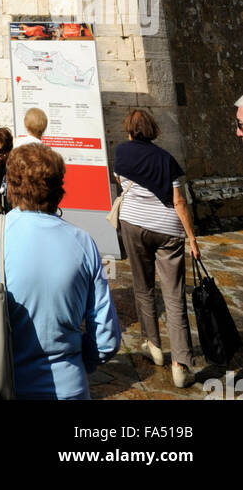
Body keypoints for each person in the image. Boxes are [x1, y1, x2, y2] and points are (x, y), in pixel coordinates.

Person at [0, 144, 121, 399]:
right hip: (69, 387)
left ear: (10, 186)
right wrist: (76, 360)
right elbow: (106, 339)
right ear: (59, 188)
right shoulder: (83, 243)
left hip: (5, 383)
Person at [115, 107, 201, 387]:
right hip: (167, 229)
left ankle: (153, 346)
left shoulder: (121, 154)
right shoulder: (167, 160)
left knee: (143, 288)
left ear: (129, 129)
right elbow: (178, 201)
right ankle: (180, 364)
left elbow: (121, 182)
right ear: (153, 130)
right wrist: (192, 237)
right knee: (174, 296)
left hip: (133, 223)